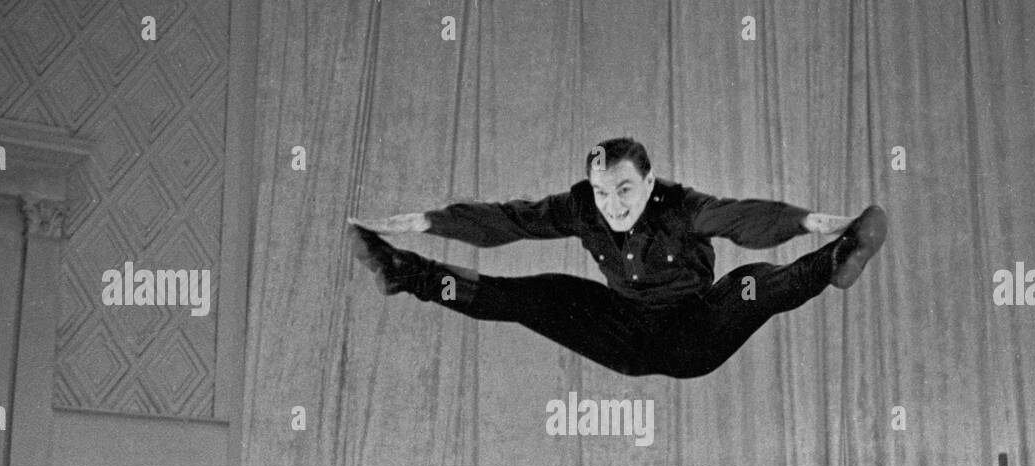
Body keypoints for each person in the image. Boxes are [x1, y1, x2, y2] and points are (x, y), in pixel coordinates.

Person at [349, 137, 886, 379]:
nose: (614, 206)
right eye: (603, 192)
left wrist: (809, 221)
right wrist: (428, 221)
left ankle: (840, 254)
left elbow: (737, 217)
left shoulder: (678, 205)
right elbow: (509, 220)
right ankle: (403, 273)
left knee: (752, 284)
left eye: (625, 190)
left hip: (693, 333)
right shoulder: (586, 206)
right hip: (624, 331)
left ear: (649, 181)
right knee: (533, 295)